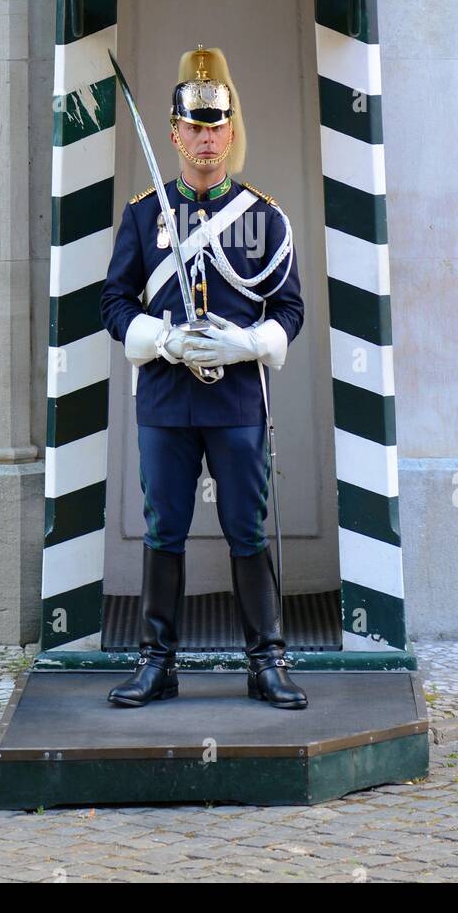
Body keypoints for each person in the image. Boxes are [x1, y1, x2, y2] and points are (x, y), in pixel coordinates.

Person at [99, 46, 307, 709]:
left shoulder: (263, 217)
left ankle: (266, 662)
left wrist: (247, 343)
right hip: (165, 399)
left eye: (217, 123)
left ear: (231, 129)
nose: (206, 137)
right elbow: (114, 302)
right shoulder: (142, 216)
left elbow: (290, 308)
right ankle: (157, 665)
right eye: (194, 125)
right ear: (173, 132)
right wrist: (162, 337)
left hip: (239, 399)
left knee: (247, 528)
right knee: (165, 529)